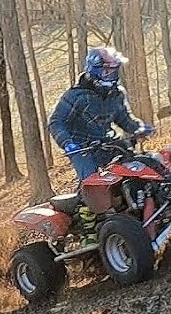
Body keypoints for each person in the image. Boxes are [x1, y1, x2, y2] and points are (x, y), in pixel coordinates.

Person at [48, 45, 155, 245]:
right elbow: (56, 122)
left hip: (108, 143)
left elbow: (125, 119)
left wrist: (139, 128)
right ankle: (89, 233)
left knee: (139, 165)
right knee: (92, 182)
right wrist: (67, 143)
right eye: (106, 70)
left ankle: (139, 205)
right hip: (82, 147)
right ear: (94, 69)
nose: (111, 74)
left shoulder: (116, 94)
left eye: (114, 70)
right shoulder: (75, 96)